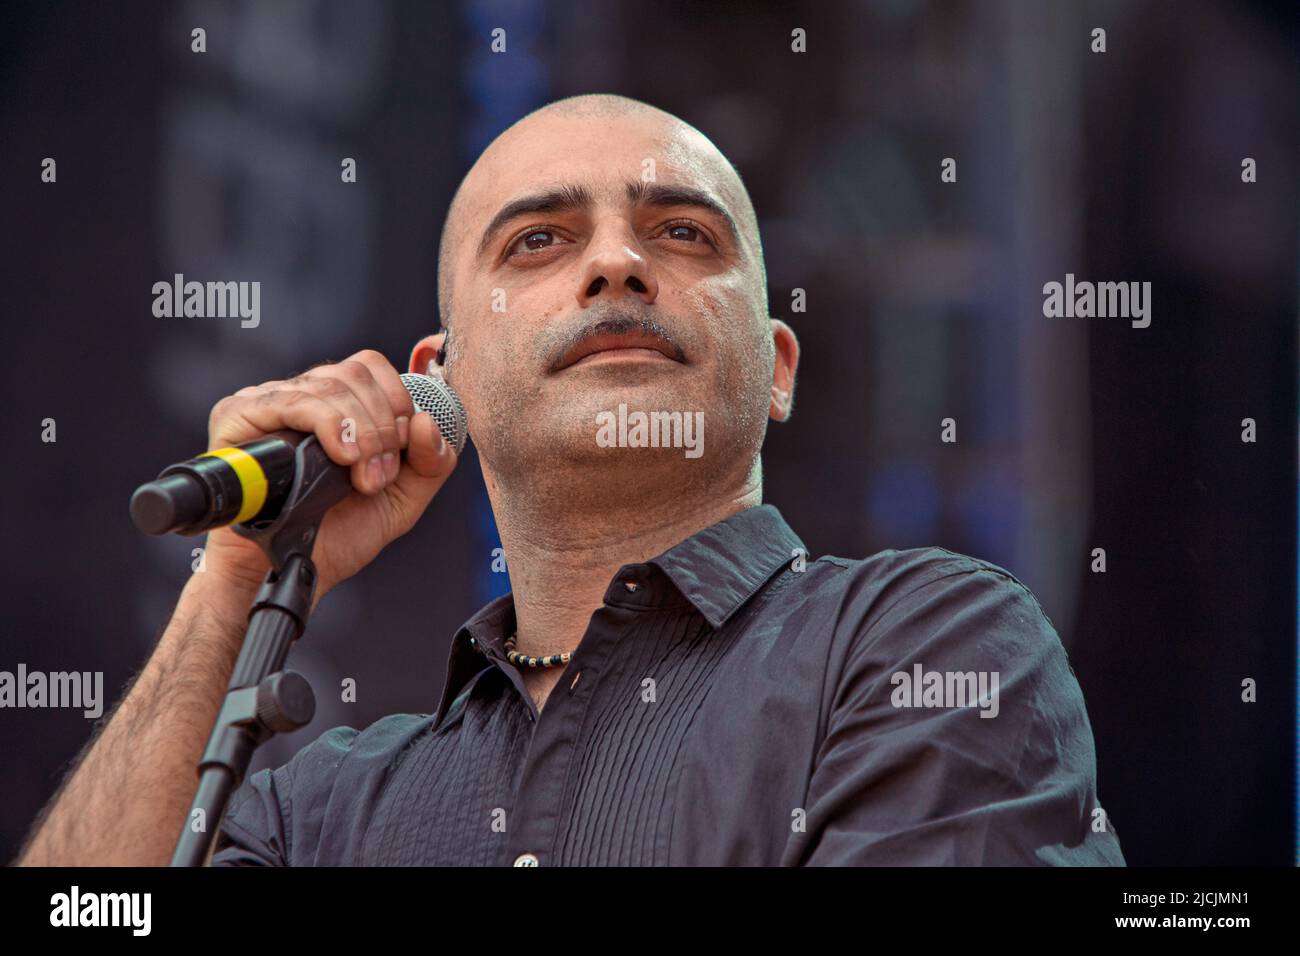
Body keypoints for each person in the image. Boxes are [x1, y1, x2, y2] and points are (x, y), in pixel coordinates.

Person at [17, 94, 1124, 866]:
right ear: (441, 382)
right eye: (538, 241)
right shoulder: (321, 813)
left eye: (682, 232)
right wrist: (231, 577)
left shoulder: (925, 643)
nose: (615, 261)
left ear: (775, 368)